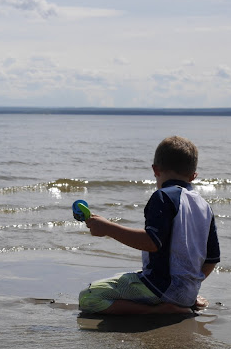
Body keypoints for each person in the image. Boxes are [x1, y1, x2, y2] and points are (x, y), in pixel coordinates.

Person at [79, 135, 220, 315]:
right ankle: (179, 303)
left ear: (155, 169)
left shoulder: (163, 196)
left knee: (89, 297)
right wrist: (188, 288)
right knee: (128, 278)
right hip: (188, 293)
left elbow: (151, 242)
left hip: (160, 289)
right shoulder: (205, 206)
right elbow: (212, 259)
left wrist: (108, 228)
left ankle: (160, 310)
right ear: (193, 176)